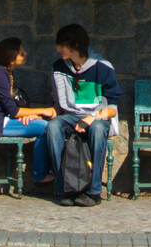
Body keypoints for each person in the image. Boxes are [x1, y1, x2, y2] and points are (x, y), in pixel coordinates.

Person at [43, 24, 121, 207]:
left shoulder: (103, 68)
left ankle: (94, 191)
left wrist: (91, 118)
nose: (58, 49)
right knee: (53, 127)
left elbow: (111, 109)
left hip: (98, 116)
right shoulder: (58, 68)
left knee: (98, 130)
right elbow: (59, 105)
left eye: (62, 45)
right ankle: (63, 188)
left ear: (75, 45)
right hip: (70, 116)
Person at [0, 37, 57, 187]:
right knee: (45, 128)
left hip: (2, 118)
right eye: (21, 53)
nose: (25, 54)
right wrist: (45, 111)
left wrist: (30, 115)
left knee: (41, 123)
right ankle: (40, 175)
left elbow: (10, 108)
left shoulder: (4, 73)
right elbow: (14, 111)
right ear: (11, 57)